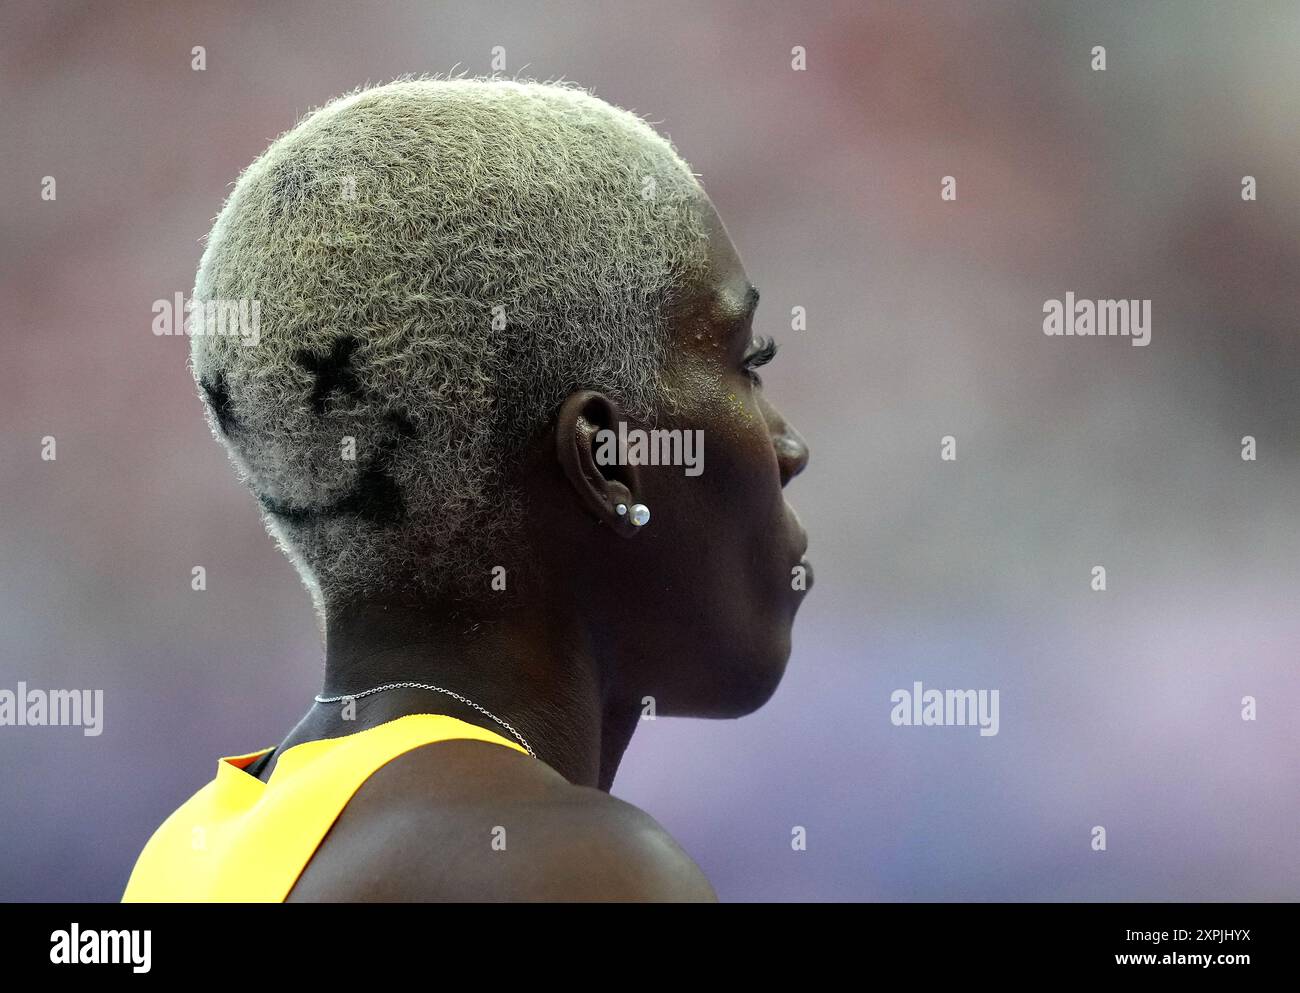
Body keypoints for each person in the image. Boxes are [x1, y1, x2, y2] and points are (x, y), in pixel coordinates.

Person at [122, 75, 811, 902]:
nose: (789, 447)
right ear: (609, 461)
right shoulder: (583, 873)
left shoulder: (187, 850)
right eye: (747, 363)